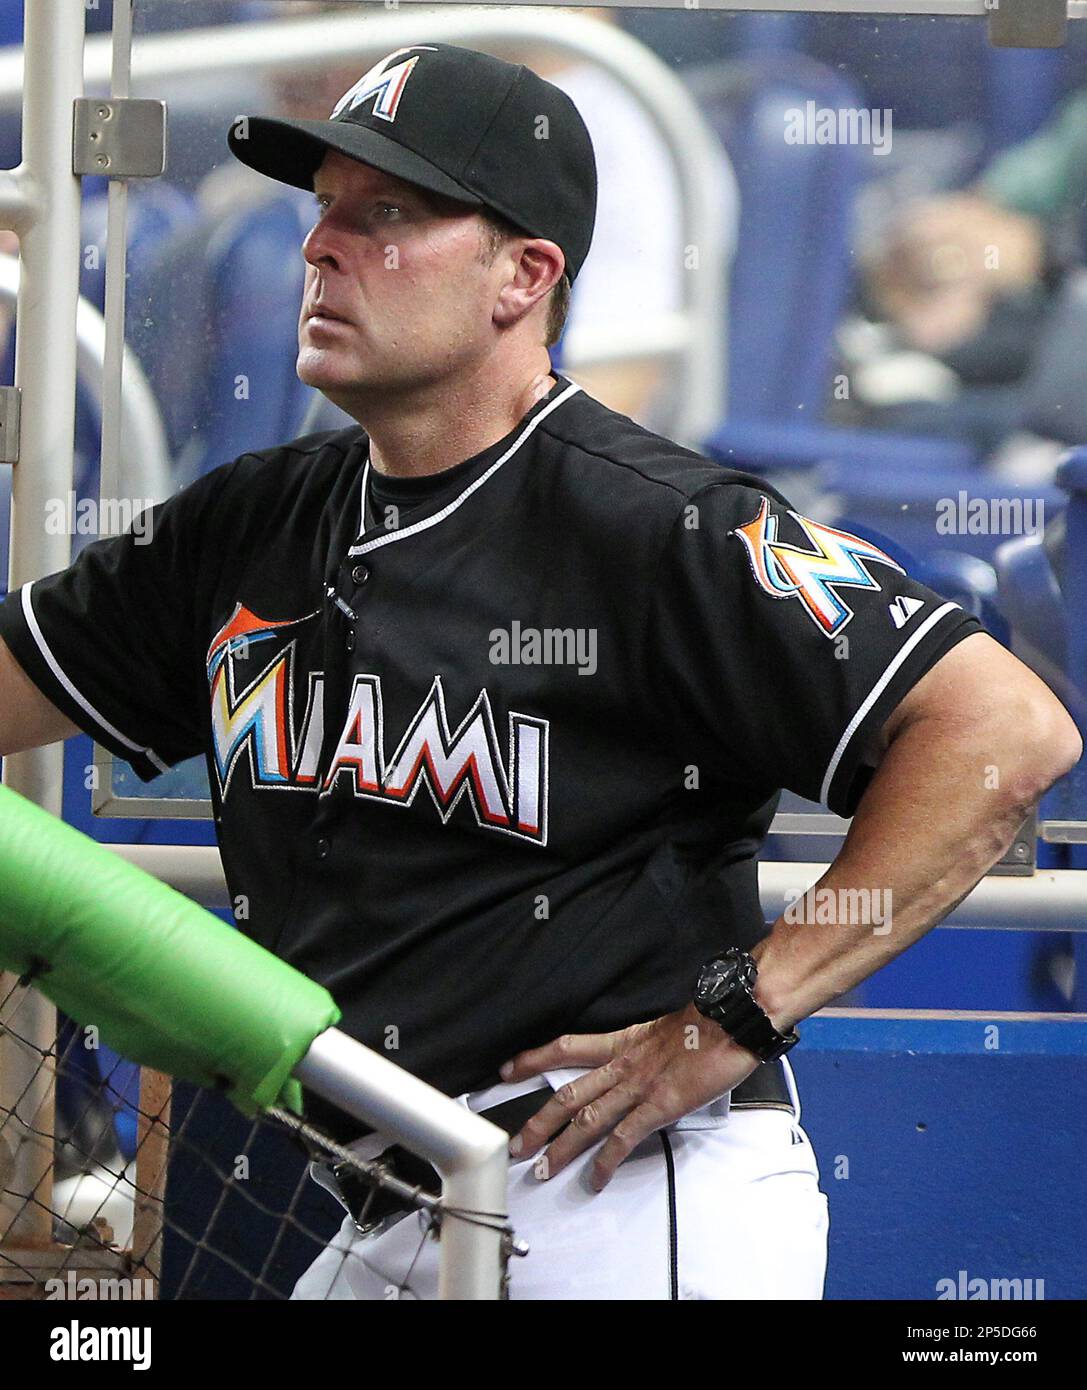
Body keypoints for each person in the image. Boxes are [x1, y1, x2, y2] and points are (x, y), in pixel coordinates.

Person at [0, 42, 1079, 1300]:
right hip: (388, 1193)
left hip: (615, 1188)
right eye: (324, 209)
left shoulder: (659, 523)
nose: (322, 247)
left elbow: (1005, 730)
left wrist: (736, 1012)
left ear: (525, 275)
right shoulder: (247, 523)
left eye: (387, 214)